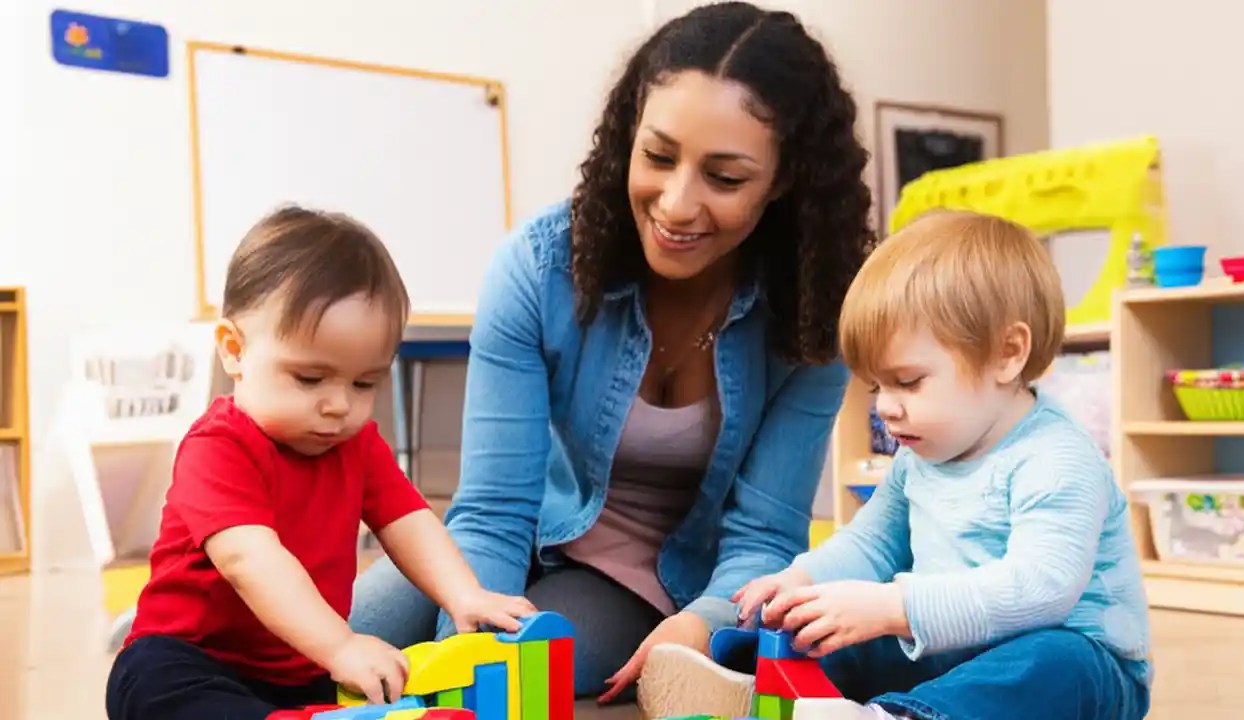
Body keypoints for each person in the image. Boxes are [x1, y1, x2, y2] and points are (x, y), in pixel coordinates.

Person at [348, 0, 875, 704]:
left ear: (783, 182)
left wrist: (703, 627)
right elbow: (493, 511)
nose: (677, 204)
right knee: (339, 633)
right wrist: (466, 644)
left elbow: (764, 535)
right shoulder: (539, 268)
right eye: (658, 156)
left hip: (665, 585)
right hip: (525, 536)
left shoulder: (814, 318)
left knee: (511, 676)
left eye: (724, 178)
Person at [640, 211, 1153, 720]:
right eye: (876, 385)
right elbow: (873, 543)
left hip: (1080, 676)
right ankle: (755, 686)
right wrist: (803, 578)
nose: (884, 406)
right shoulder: (922, 456)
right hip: (944, 653)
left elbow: (1041, 592)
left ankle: (903, 716)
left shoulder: (1056, 459)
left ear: (1007, 354)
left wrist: (891, 608)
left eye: (908, 382)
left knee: (1056, 661)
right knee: (831, 628)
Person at [105, 207, 535, 720]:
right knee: (156, 691)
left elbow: (410, 521)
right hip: (191, 658)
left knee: (365, 688)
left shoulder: (356, 445)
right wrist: (341, 646)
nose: (338, 406)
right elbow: (250, 561)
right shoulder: (218, 447)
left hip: (300, 668)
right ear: (234, 350)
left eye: (363, 383)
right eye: (310, 379)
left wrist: (464, 594)